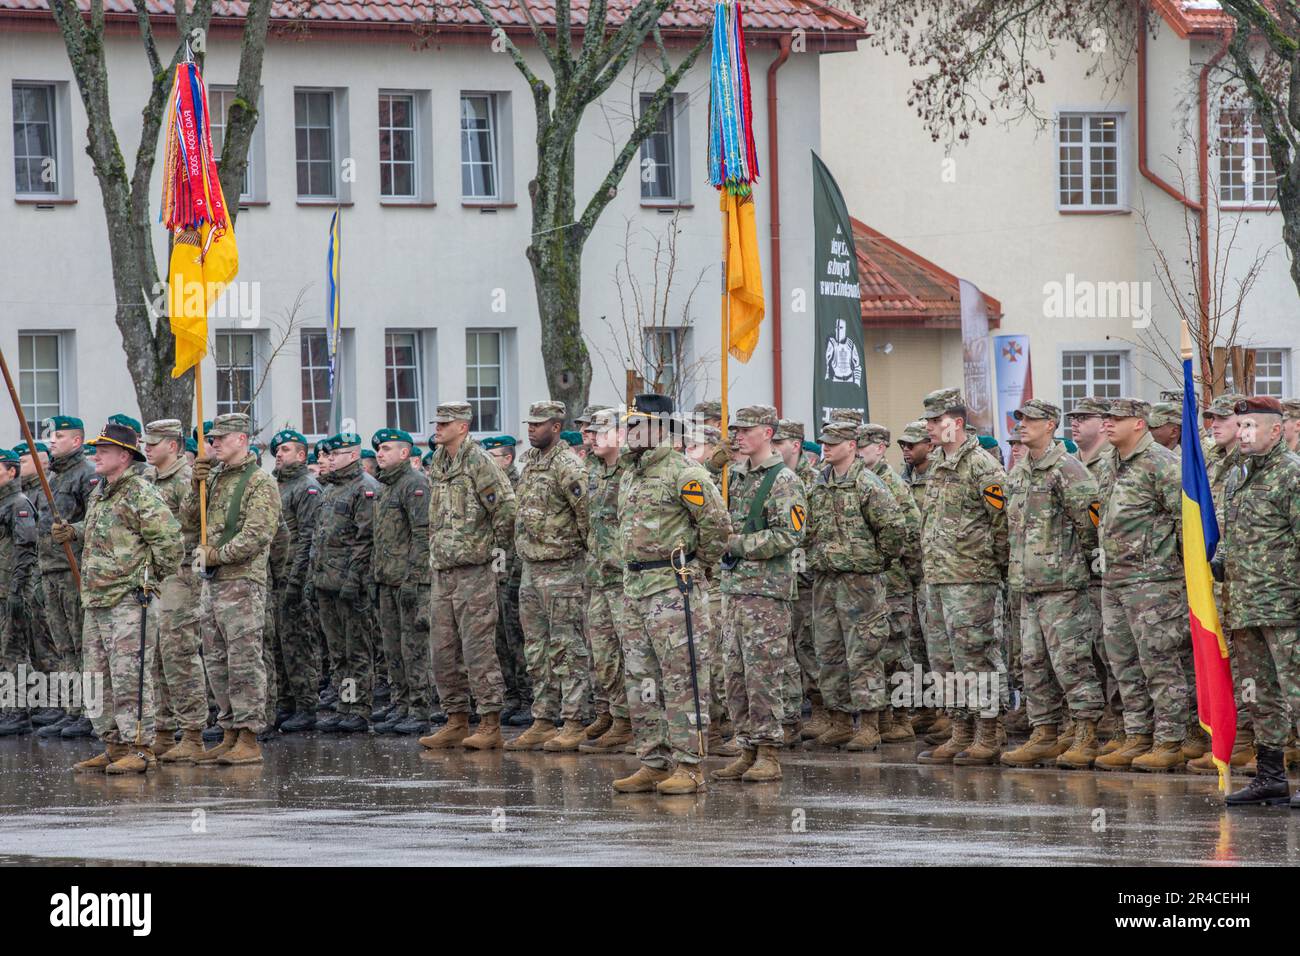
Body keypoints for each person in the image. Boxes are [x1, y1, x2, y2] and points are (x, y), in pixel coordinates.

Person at [613, 394, 729, 794]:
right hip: (634, 589)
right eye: (627, 425)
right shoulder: (630, 473)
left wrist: (698, 567)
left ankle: (690, 764)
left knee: (684, 680)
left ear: (659, 428)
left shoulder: (684, 472)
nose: (627, 433)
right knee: (641, 679)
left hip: (672, 589)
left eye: (635, 425)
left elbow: (716, 526)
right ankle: (653, 760)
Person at [1000, 400, 1106, 769]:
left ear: (1049, 425)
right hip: (1027, 586)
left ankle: (1086, 733)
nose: (1022, 426)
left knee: (1072, 663)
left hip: (1062, 586)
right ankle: (1044, 731)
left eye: (1029, 420)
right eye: (1020, 420)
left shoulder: (1067, 469)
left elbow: (1091, 525)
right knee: (1032, 664)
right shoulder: (1019, 471)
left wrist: (1080, 567)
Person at [71, 422, 182, 773]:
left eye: (103, 450)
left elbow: (170, 543)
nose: (95, 455)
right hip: (97, 600)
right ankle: (114, 744)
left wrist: (147, 580)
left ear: (123, 455)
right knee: (97, 678)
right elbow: (104, 535)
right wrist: (72, 531)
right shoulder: (101, 492)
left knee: (129, 678)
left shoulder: (139, 492)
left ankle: (140, 747)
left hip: (129, 601)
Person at [1094, 398, 1189, 772]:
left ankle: (1170, 739)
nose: (1108, 425)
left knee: (1160, 662)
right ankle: (1137, 734)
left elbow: (1185, 519)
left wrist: (1176, 571)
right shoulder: (1108, 464)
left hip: (1154, 582)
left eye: (1116, 419)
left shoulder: (1162, 464)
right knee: (1122, 662)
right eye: (1106, 419)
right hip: (1115, 578)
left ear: (1139, 423)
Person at [182, 413, 283, 764]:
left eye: (220, 439)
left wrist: (217, 554)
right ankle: (227, 731)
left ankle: (249, 736)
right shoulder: (216, 478)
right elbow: (190, 520)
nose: (213, 445)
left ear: (241, 439)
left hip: (242, 581)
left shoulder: (259, 482)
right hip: (213, 583)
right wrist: (197, 486)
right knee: (216, 659)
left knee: (243, 660)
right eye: (212, 439)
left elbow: (257, 534)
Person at [916, 388, 1009, 766]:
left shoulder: (983, 467)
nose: (929, 428)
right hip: (938, 579)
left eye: (935, 421)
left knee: (977, 658)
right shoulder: (938, 463)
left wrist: (990, 564)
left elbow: (1003, 522)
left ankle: (988, 732)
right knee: (944, 661)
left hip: (972, 580)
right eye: (927, 421)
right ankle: (960, 731)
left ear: (956, 423)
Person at [713, 405, 806, 783]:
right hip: (734, 589)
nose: (737, 436)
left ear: (767, 433)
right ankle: (745, 745)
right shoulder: (734, 476)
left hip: (766, 593)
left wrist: (738, 545)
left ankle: (768, 750)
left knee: (763, 674)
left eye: (745, 430)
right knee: (733, 674)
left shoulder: (783, 480)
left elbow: (790, 535)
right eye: (735, 430)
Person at [1214, 397, 1300, 806]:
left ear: (1276, 431)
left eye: (1252, 426)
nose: (1244, 433)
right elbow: (1235, 538)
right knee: (1258, 695)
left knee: (1297, 691)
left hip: (1286, 608)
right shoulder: (1238, 477)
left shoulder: (1292, 475)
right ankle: (1271, 777)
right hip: (1245, 606)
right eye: (1241, 425)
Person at [805, 421, 907, 751]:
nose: (827, 447)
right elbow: (806, 527)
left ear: (852, 445)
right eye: (824, 442)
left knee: (864, 651)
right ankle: (838, 720)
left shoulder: (868, 485)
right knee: (829, 651)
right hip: (826, 580)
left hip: (860, 582)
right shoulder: (819, 484)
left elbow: (894, 529)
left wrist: (875, 561)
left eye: (834, 442)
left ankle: (870, 724)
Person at [421, 403, 516, 750]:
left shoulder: (479, 462)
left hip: (474, 570)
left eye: (445, 423)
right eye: (438, 422)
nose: (438, 428)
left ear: (462, 427)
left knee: (477, 649)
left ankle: (490, 722)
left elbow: (505, 508)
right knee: (442, 651)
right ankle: (456, 719)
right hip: (443, 569)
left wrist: (494, 552)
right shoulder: (441, 463)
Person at [506, 401, 592, 753]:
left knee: (567, 647)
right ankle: (543, 718)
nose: (532, 430)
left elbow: (586, 516)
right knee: (537, 648)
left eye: (539, 424)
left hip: (563, 569)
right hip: (532, 568)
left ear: (557, 426)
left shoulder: (568, 465)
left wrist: (586, 561)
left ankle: (574, 720)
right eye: (530, 423)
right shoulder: (531, 463)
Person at [140, 419, 208, 763]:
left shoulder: (187, 479)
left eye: (154, 443)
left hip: (181, 575)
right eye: (146, 443)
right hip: (154, 577)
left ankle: (193, 733)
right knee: (156, 655)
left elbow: (195, 526)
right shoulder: (148, 479)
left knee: (179, 653)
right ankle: (164, 731)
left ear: (173, 445)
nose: (147, 448)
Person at [856, 422, 923, 743]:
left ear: (880, 448)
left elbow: (910, 532)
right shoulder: (857, 481)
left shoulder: (892, 484)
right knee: (874, 649)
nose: (857, 452)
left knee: (896, 650)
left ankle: (901, 717)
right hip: (872, 582)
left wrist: (907, 575)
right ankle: (881, 715)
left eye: (863, 447)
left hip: (894, 580)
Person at [308, 433, 378, 735]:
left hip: (350, 585)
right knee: (337, 653)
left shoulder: (364, 488)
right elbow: (319, 537)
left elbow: (365, 540)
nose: (330, 459)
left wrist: (353, 580)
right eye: (329, 454)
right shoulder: (330, 489)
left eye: (336, 454)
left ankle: (359, 708)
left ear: (352, 455)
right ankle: (344, 704)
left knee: (356, 651)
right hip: (326, 581)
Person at [369, 428, 435, 736]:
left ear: (404, 453)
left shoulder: (415, 484)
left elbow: (422, 535)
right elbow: (382, 538)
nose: (379, 453)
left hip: (409, 582)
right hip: (387, 580)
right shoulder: (386, 486)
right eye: (378, 449)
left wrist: (414, 580)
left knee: (413, 647)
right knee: (392, 647)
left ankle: (419, 708)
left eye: (385, 448)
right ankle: (401, 704)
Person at [577, 409, 634, 753]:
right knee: (603, 653)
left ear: (620, 433)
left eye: (600, 432)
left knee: (632, 654)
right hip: (599, 576)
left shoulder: (630, 469)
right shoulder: (593, 469)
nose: (593, 437)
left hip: (626, 577)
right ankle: (616, 715)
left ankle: (632, 722)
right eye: (591, 432)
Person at [38, 415, 98, 740]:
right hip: (50, 570)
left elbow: (95, 523)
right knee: (63, 646)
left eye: (59, 436)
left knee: (81, 642)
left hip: (72, 569)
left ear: (77, 441)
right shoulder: (53, 477)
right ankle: (73, 709)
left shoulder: (85, 476)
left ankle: (91, 711)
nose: (51, 441)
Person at [270, 429, 324, 733]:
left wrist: (296, 580)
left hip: (294, 577)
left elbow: (308, 537)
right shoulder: (276, 485)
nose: (279, 453)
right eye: (277, 449)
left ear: (302, 455)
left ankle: (306, 704)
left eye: (286, 449)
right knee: (279, 644)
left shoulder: (306, 487)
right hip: (275, 576)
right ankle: (286, 702)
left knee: (297, 644)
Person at [773, 418, 818, 746]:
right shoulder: (772, 477)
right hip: (779, 576)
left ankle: (818, 710)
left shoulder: (812, 480)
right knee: (784, 648)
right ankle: (788, 716)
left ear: (796, 445)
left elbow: (813, 530)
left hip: (806, 579)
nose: (775, 446)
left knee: (808, 647)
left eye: (782, 441)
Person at [482, 435, 530, 723]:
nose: (486, 462)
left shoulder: (518, 486)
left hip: (516, 573)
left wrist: (513, 573)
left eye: (493, 456)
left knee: (517, 638)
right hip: (494, 573)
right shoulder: (490, 486)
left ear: (507, 458)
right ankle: (511, 695)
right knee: (499, 638)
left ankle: (527, 697)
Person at [0, 448, 37, 736]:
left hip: (11, 588)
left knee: (14, 650)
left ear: (11, 472)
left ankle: (19, 710)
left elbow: (25, 550)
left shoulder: (18, 503)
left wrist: (16, 590)